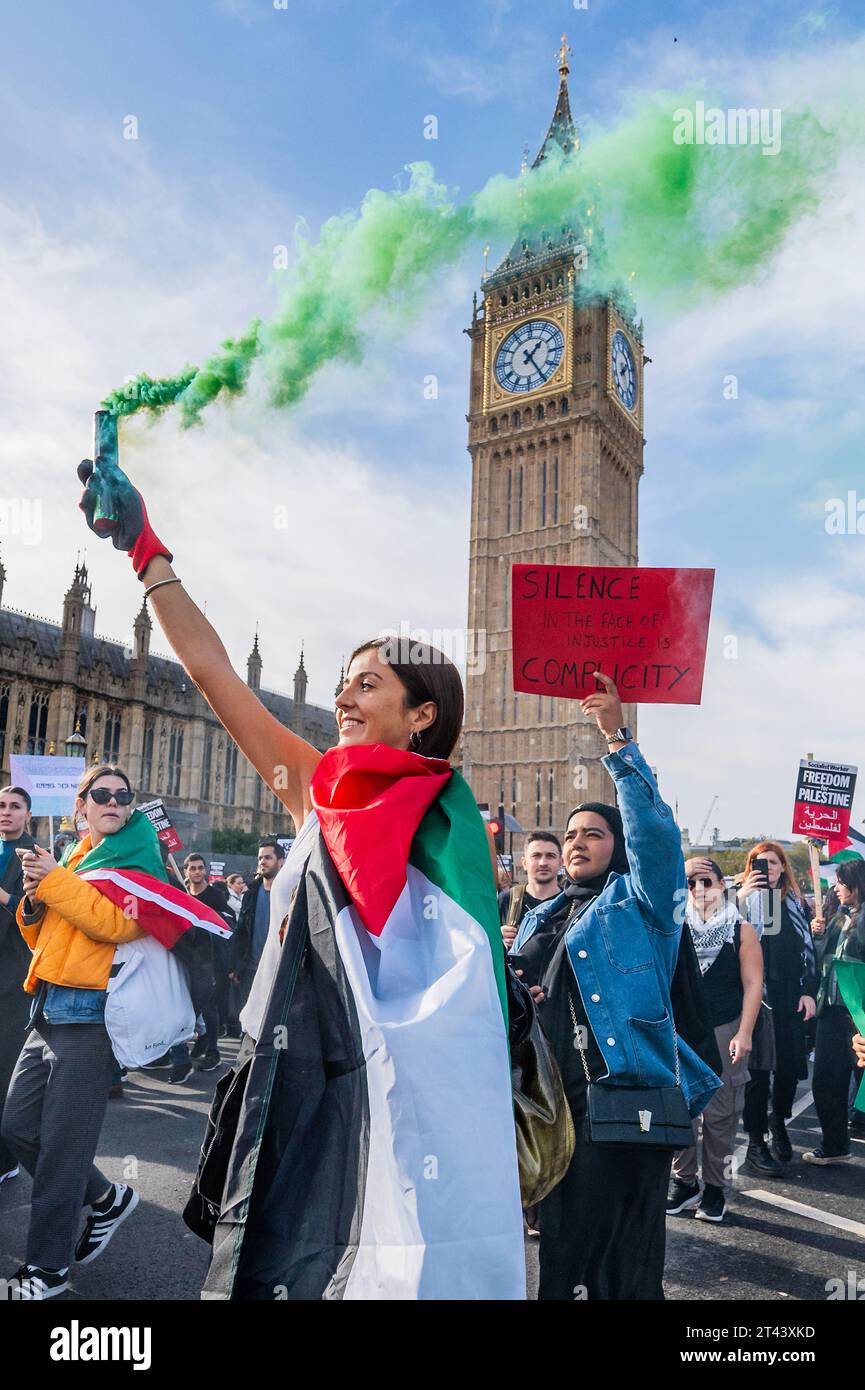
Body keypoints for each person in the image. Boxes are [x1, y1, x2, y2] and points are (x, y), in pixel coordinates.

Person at [77, 458, 531, 1301]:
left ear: (422, 713)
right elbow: (217, 675)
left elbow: (466, 988)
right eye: (342, 682)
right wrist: (145, 549)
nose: (344, 697)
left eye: (369, 684)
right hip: (297, 1088)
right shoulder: (317, 794)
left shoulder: (451, 828)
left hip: (422, 1105)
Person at [510, 678, 722, 1300]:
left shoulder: (642, 904)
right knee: (564, 1248)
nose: (576, 843)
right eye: (569, 835)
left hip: (624, 1099)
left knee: (623, 1257)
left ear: (618, 848)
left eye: (592, 834)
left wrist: (616, 739)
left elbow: (657, 836)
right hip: (557, 1102)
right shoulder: (543, 916)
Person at [1, 766, 143, 1299]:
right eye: (100, 794)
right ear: (81, 805)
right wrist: (34, 902)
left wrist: (53, 882)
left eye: (122, 796)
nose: (112, 801)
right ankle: (105, 1198)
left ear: (130, 807)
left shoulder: (136, 857)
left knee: (62, 1149)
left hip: (91, 1017)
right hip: (48, 1006)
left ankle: (48, 1270)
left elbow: (117, 923)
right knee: (16, 1126)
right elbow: (48, 930)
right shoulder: (78, 854)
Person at [667, 858, 763, 1223]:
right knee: (683, 1113)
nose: (697, 889)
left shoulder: (741, 930)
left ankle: (716, 1188)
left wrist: (745, 1032)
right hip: (680, 1033)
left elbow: (754, 984)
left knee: (721, 1115)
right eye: (689, 882)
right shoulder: (672, 928)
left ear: (722, 885)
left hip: (725, 1029)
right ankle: (685, 1182)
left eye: (705, 881)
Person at [738, 842, 817, 1174]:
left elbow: (807, 951)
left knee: (786, 1070)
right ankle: (756, 1141)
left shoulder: (796, 904)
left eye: (772, 862)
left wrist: (808, 991)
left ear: (784, 867)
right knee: (756, 1074)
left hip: (787, 998)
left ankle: (779, 1122)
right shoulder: (738, 900)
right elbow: (720, 935)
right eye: (759, 862)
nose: (766, 867)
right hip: (754, 999)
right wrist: (742, 898)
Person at [805, 859, 865, 1163]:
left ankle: (836, 1143)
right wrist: (819, 933)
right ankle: (835, 1144)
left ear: (857, 885)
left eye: (842, 882)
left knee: (846, 1081)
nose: (836, 888)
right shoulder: (841, 917)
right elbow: (823, 962)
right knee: (829, 1080)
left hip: (855, 1012)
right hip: (833, 1009)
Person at [0, 786, 36, 1185]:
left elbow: (36, 912)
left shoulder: (34, 856)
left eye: (14, 807)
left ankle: (6, 1159)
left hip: (12, 982)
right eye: (2, 806)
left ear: (27, 814)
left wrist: (3, 896)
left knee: (5, 1073)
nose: (6, 813)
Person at [169, 853, 231, 1079]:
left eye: (199, 868)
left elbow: (227, 922)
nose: (196, 872)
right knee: (189, 1007)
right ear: (185, 871)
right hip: (188, 959)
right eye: (192, 868)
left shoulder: (215, 895)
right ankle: (200, 1040)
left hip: (210, 961)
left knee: (208, 1007)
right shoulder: (184, 895)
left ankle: (213, 1051)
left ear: (205, 870)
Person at [229, 840, 284, 1011]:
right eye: (260, 858)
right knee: (248, 1024)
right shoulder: (251, 893)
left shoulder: (290, 891)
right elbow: (241, 931)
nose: (262, 862)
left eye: (268, 857)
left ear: (280, 861)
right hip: (251, 970)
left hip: (279, 970)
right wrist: (235, 967)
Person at [499, 831, 563, 945]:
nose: (543, 863)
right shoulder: (506, 900)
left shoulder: (571, 903)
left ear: (561, 862)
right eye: (536, 856)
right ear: (524, 863)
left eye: (550, 856)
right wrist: (497, 939)